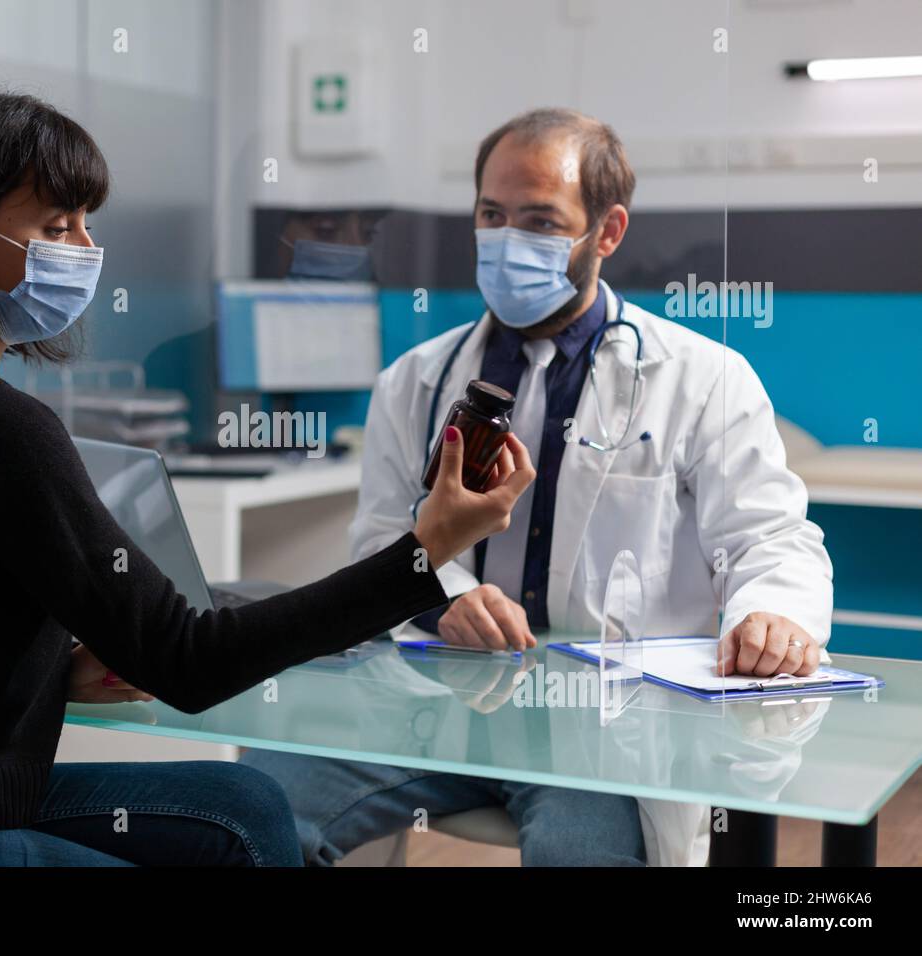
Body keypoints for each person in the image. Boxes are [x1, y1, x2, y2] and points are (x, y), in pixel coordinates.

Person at [0, 91, 536, 867]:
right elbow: (190, 661)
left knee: (245, 809)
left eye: (85, 224)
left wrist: (54, 668)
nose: (83, 251)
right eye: (54, 226)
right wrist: (427, 551)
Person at [241, 107, 834, 867]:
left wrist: (771, 614)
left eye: (541, 221)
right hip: (437, 706)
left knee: (579, 856)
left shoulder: (702, 379)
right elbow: (382, 539)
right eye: (492, 215)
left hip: (602, 726)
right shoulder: (414, 380)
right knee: (256, 807)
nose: (506, 240)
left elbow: (770, 537)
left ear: (607, 232)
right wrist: (445, 595)